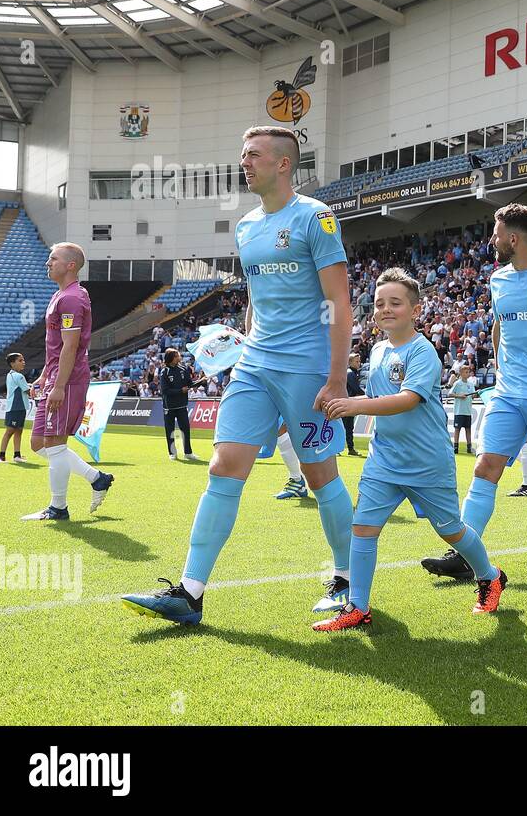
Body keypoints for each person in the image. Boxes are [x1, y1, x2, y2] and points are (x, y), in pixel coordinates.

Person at [121, 126, 355, 624]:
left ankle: (346, 578)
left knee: (320, 476)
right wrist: (245, 340)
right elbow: (255, 295)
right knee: (223, 466)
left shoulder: (317, 218)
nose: (244, 163)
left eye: (253, 156)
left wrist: (337, 378)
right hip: (255, 366)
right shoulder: (246, 225)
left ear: (284, 163)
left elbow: (339, 301)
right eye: (243, 155)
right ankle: (189, 592)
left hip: (306, 370)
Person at [313, 269, 506, 630]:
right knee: (363, 528)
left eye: (395, 303)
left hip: (426, 462)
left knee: (450, 529)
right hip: (384, 459)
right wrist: (337, 401)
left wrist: (353, 406)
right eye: (379, 303)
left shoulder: (424, 352)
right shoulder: (378, 348)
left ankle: (489, 575)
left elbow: (407, 399)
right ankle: (357, 607)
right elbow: (375, 398)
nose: (385, 309)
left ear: (415, 310)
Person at [421, 204, 527, 579]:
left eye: (495, 234)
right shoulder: (498, 280)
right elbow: (498, 325)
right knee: (485, 466)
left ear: (513, 238)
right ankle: (465, 553)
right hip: (507, 392)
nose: (491, 240)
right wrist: (500, 364)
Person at [21, 242, 115, 522]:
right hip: (56, 377)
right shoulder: (61, 295)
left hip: (69, 380)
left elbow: (70, 346)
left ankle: (58, 508)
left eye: (53, 259)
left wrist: (59, 385)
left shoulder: (72, 298)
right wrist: (45, 376)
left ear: (70, 265)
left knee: (54, 443)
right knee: (39, 443)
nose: (48, 263)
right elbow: (57, 345)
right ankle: (96, 478)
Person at [158, 348, 203, 461]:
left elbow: (190, 384)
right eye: (177, 355)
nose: (179, 357)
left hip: (182, 405)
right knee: (170, 430)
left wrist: (201, 380)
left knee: (185, 429)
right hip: (169, 407)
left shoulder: (183, 369)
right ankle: (172, 453)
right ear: (171, 358)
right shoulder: (165, 372)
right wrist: (180, 391)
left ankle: (188, 453)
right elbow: (165, 391)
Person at [0, 352, 31, 463]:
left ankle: (17, 455)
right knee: (10, 431)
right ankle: (1, 456)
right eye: (20, 360)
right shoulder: (19, 376)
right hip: (16, 408)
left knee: (18, 431)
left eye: (23, 360)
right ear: (12, 363)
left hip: (18, 408)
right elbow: (27, 391)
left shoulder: (11, 375)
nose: (23, 362)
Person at [448, 363, 478, 455]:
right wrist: (459, 396)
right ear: (461, 373)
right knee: (457, 429)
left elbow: (473, 395)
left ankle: (469, 447)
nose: (468, 373)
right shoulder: (457, 383)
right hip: (459, 411)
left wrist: (475, 394)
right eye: (466, 372)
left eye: (469, 372)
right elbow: (450, 394)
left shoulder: (471, 384)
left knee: (468, 429)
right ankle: (455, 447)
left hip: (468, 411)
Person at [341, 352, 363, 456]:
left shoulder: (352, 372)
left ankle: (349, 449)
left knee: (348, 428)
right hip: (347, 403)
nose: (359, 363)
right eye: (357, 361)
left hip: (348, 402)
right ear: (350, 362)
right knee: (347, 428)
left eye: (359, 361)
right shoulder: (350, 373)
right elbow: (356, 388)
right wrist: (368, 394)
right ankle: (349, 449)